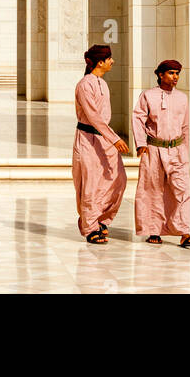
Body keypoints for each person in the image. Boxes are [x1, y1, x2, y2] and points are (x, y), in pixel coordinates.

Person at [132, 59, 190, 248]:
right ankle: (154, 230)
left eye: (177, 73)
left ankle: (184, 232)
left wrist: (184, 150)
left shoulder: (182, 98)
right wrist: (140, 144)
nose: (175, 77)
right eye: (171, 73)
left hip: (177, 150)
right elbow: (138, 119)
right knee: (152, 190)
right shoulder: (148, 96)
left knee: (182, 189)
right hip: (153, 149)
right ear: (160, 75)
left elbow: (185, 126)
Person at [72, 44, 129, 244]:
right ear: (100, 61)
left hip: (105, 140)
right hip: (88, 139)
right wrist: (115, 138)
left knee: (118, 179)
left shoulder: (102, 84)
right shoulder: (84, 85)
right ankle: (89, 227)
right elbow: (93, 116)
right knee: (90, 184)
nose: (112, 61)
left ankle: (102, 219)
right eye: (109, 58)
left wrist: (110, 139)